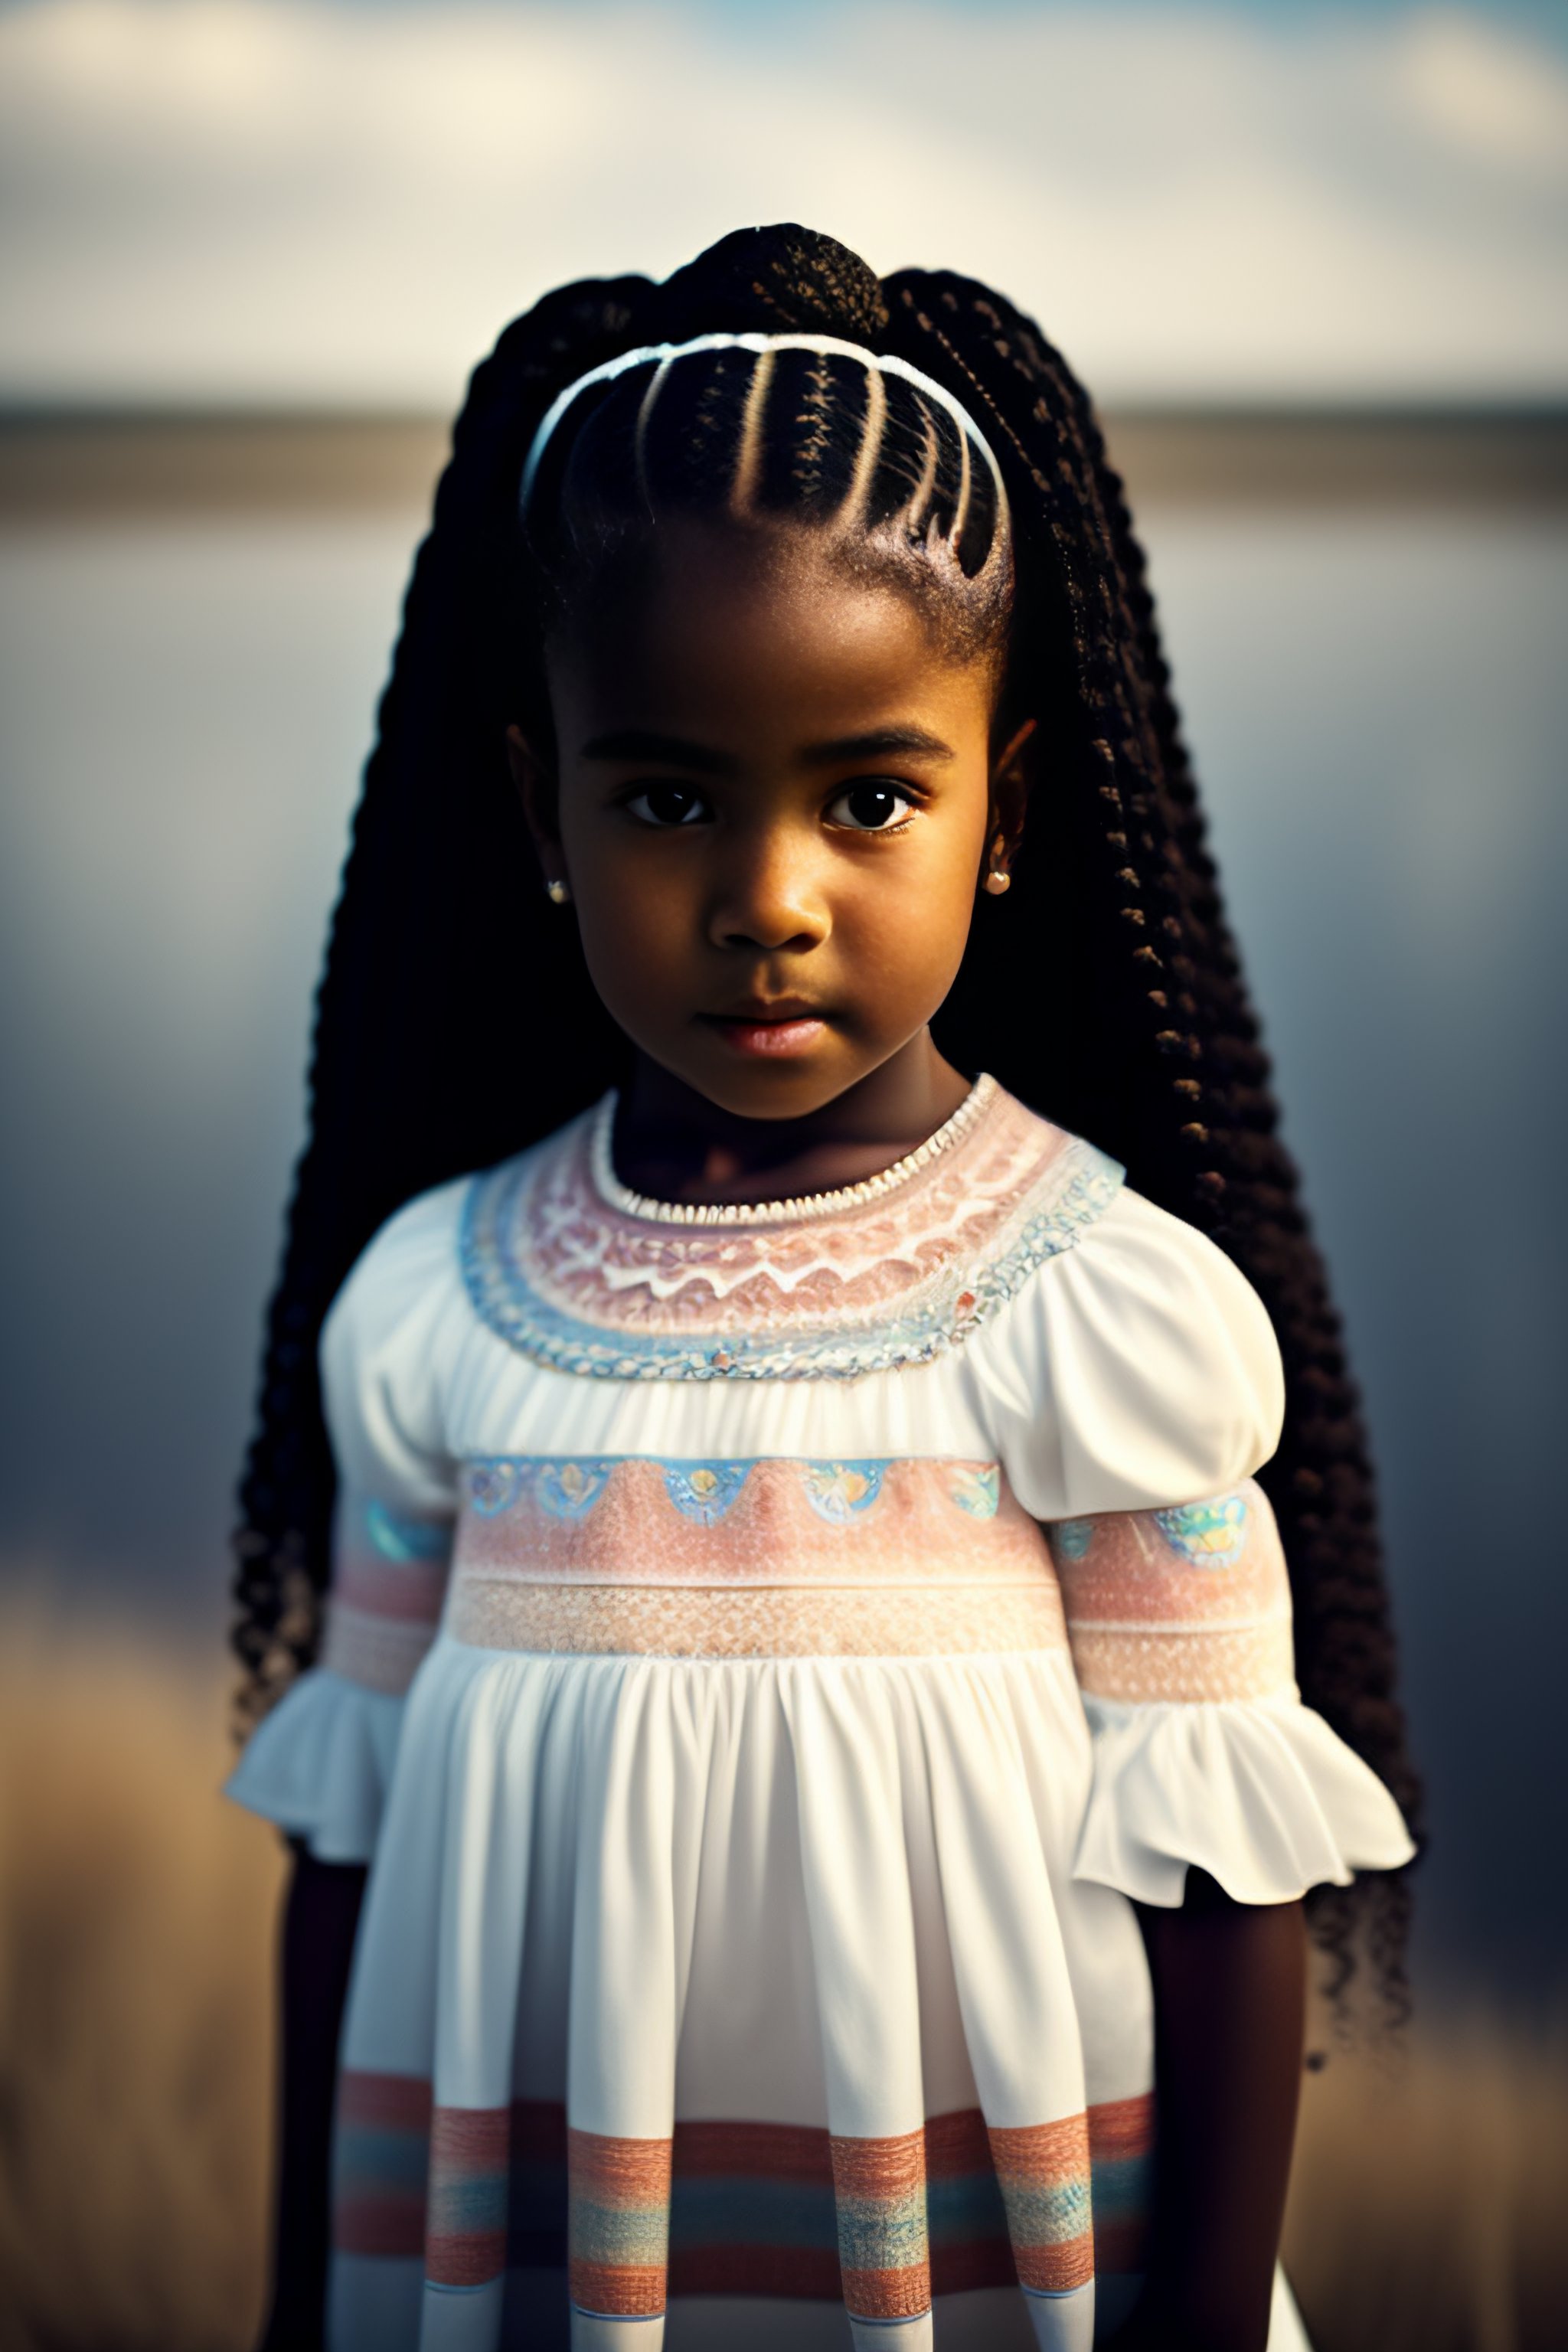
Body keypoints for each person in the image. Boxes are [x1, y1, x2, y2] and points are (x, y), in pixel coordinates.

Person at [227, 225, 1419, 2352]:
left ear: (1010, 812)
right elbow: (354, 1848)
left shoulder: (1094, 1319)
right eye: (671, 795)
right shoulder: (440, 1311)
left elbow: (1233, 1887)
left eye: (871, 795)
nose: (767, 903)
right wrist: (310, 2296)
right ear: (544, 812)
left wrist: (1202, 2328)